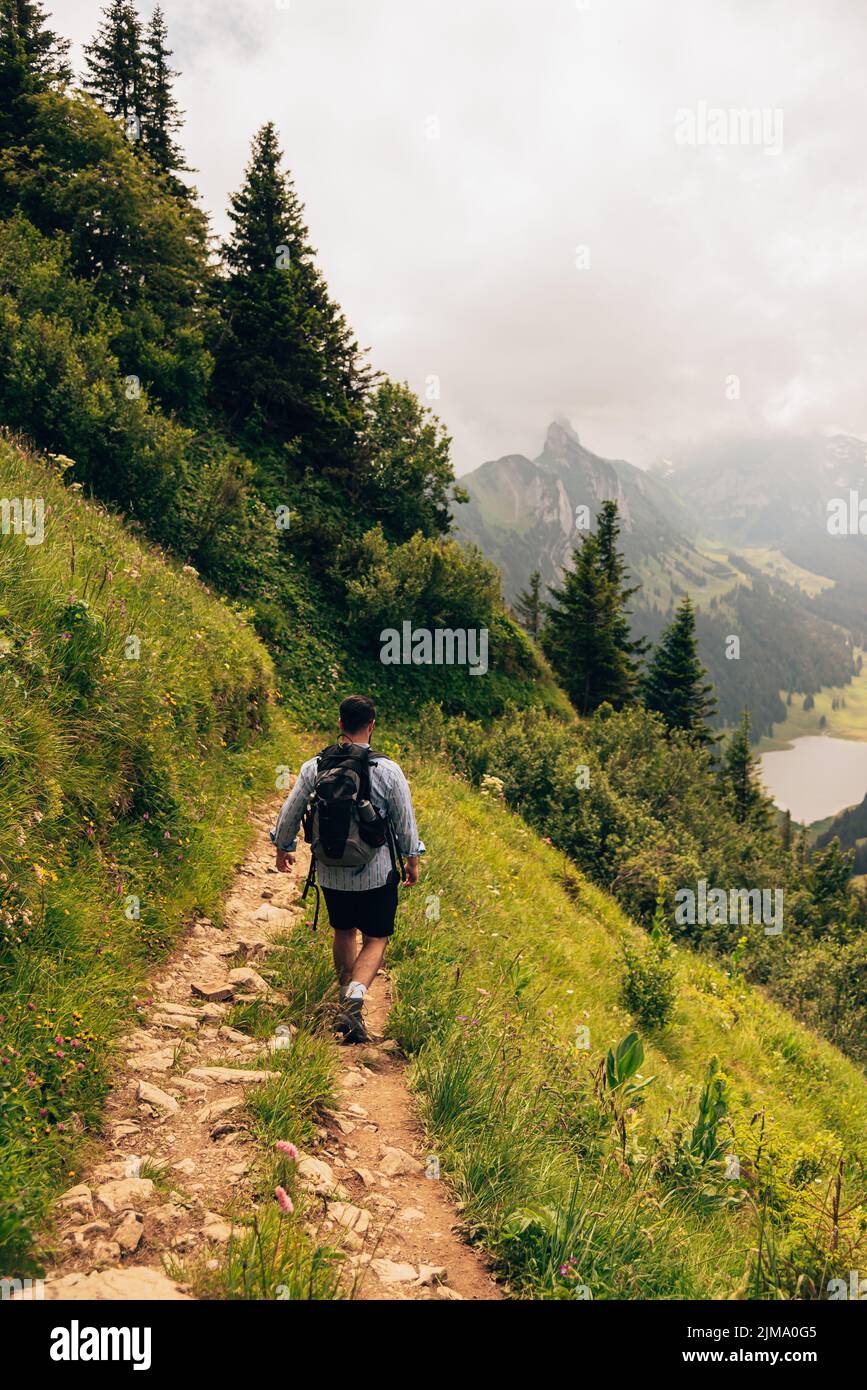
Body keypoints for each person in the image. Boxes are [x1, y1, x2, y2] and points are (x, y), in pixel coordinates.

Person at [271, 695, 423, 1042]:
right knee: (376, 938)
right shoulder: (387, 769)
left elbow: (291, 810)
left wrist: (284, 848)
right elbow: (404, 823)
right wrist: (412, 859)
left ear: (340, 724)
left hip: (330, 870)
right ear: (372, 725)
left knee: (343, 932)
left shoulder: (315, 766)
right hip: (377, 872)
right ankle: (355, 998)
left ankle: (344, 996)